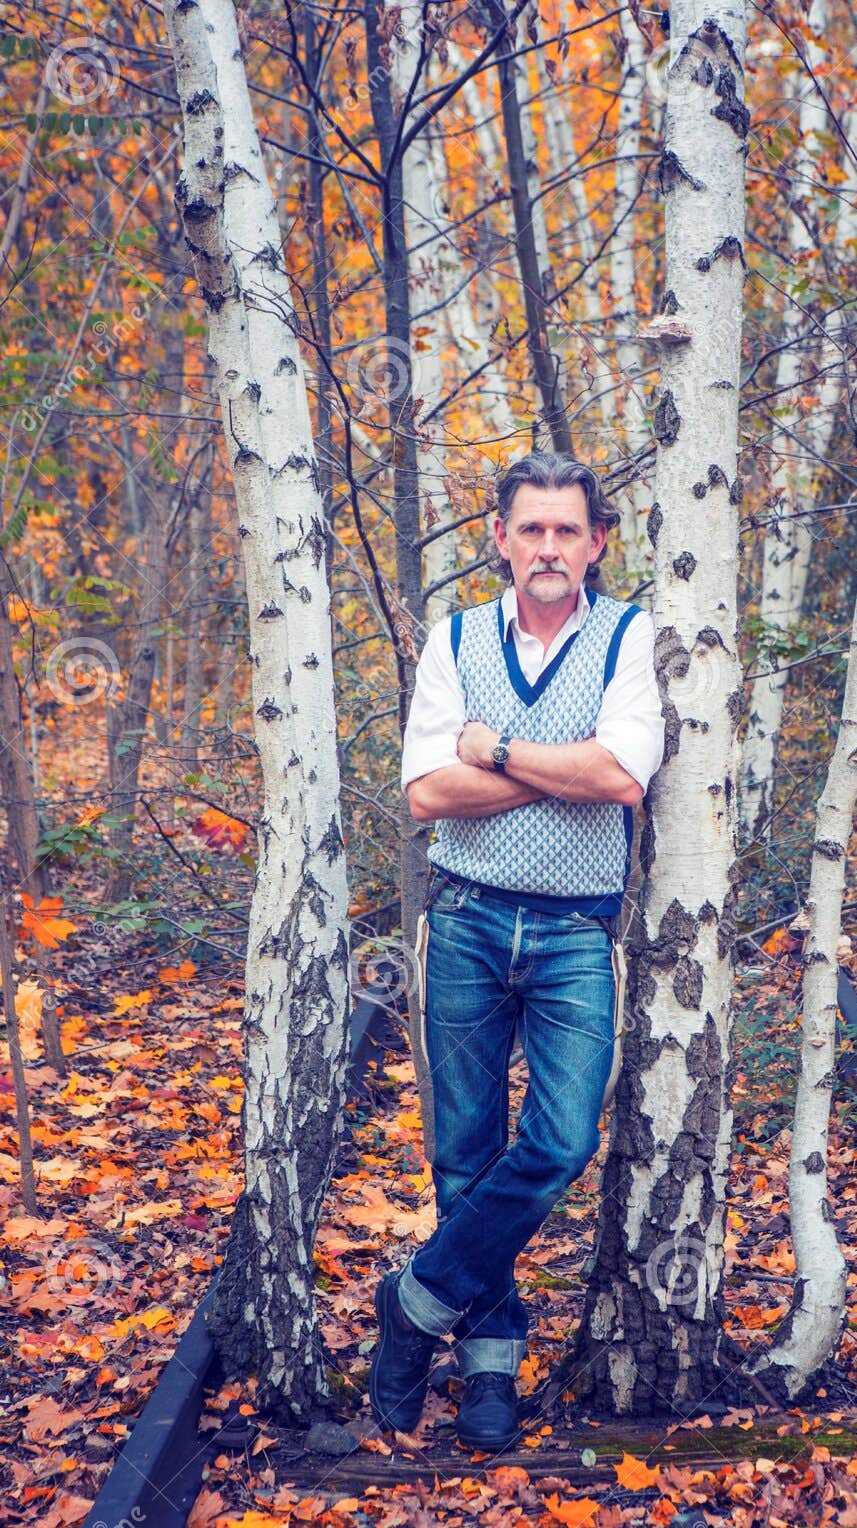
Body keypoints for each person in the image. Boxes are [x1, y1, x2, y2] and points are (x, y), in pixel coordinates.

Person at [368, 451, 665, 1451]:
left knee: (561, 1139)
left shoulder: (627, 635)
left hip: (576, 929)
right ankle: (488, 1363)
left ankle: (414, 1301)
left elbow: (620, 774)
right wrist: (562, 767)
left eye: (565, 530)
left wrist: (493, 750)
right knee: (463, 1152)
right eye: (529, 528)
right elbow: (425, 794)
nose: (547, 547)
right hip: (465, 919)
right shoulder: (454, 641)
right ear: (498, 538)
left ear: (596, 542)